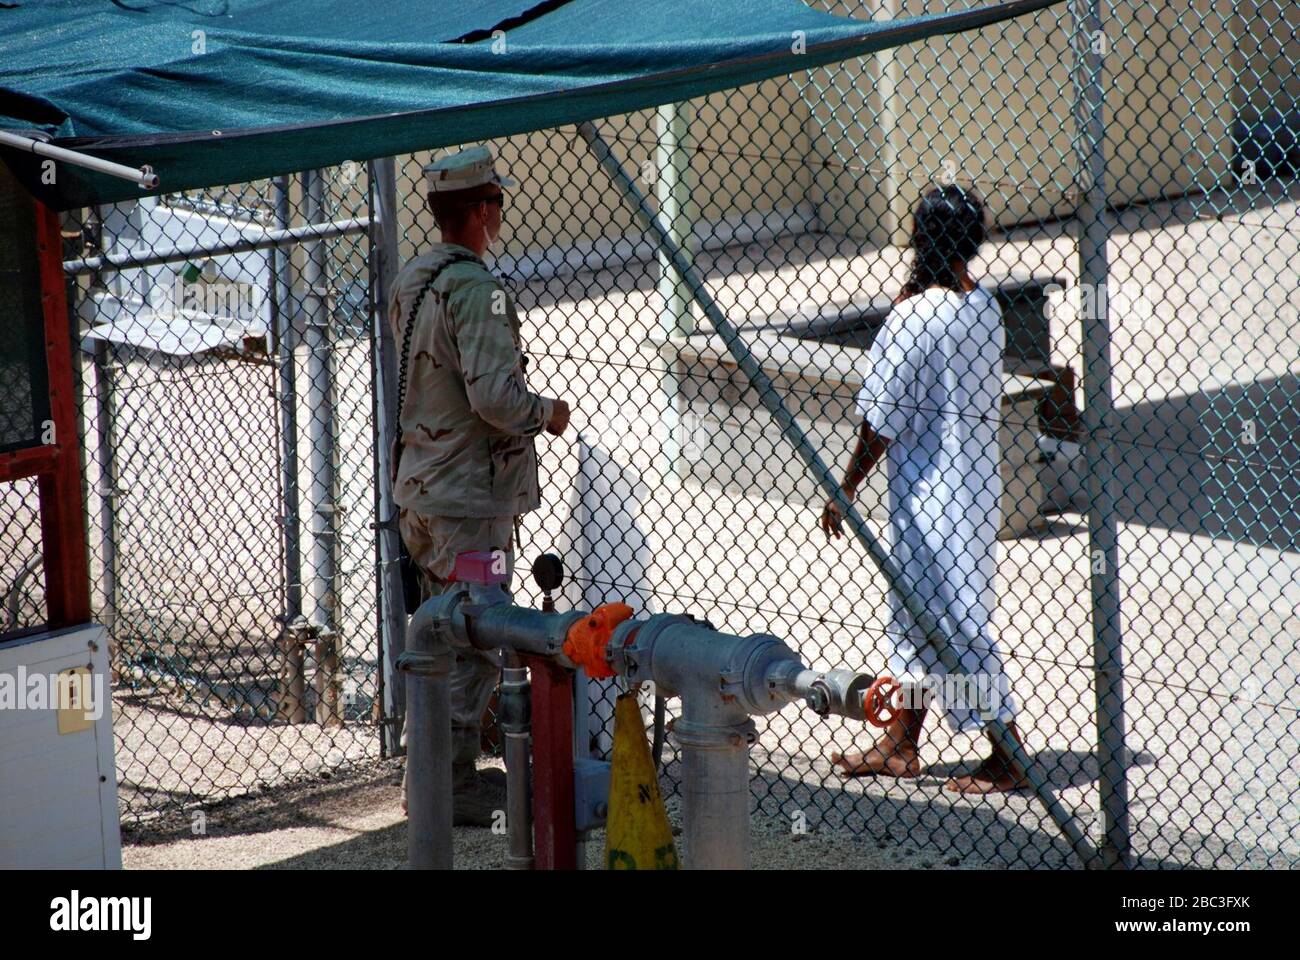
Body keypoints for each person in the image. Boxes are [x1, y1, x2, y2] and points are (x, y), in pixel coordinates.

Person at [820, 186, 1028, 794]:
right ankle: (902, 743)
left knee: (955, 626)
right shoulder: (982, 306)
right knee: (921, 619)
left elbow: (881, 417)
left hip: (929, 496)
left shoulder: (914, 316)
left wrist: (846, 485)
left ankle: (1006, 748)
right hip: (973, 490)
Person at [391, 145, 571, 824]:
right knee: (477, 636)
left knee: (436, 630)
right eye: (498, 200)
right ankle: (448, 788)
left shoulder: (416, 277)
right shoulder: (481, 290)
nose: (501, 211)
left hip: (422, 489)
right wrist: (546, 414)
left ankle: (434, 773)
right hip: (470, 502)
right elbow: (495, 398)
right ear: (483, 208)